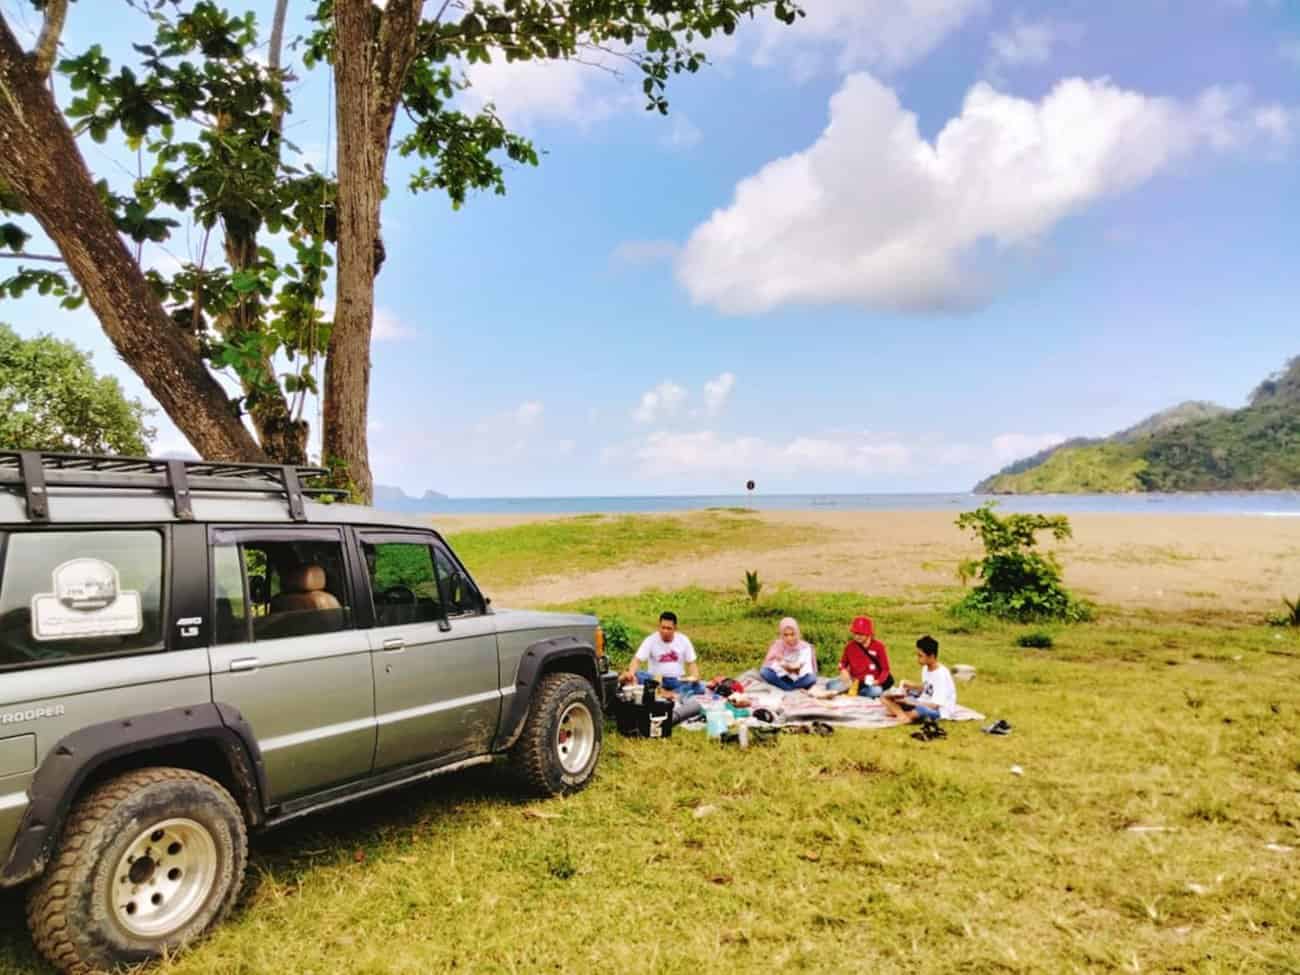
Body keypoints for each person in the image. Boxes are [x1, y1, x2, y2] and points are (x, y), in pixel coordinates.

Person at [883, 635, 957, 725]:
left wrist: (911, 703)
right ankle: (903, 715)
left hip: (939, 711)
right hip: (923, 702)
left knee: (920, 710)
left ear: (931, 656)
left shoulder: (941, 675)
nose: (918, 659)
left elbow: (935, 705)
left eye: (920, 656)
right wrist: (909, 690)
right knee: (885, 697)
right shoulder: (926, 668)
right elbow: (927, 689)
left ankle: (901, 714)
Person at [622, 611, 701, 691]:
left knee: (699, 688)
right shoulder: (651, 640)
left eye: (669, 628)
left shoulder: (683, 640)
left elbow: (691, 663)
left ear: (675, 628)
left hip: (676, 680)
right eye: (663, 627)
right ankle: (669, 692)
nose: (665, 631)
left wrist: (695, 677)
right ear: (659, 626)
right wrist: (631, 675)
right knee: (638, 675)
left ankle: (670, 692)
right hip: (655, 680)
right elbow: (637, 660)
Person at [834, 615, 894, 698]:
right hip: (854, 681)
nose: (857, 636)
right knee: (831, 686)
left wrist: (878, 681)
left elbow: (885, 669)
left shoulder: (879, 647)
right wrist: (842, 670)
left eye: (861, 634)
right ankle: (854, 690)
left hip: (870, 683)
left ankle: (855, 691)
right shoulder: (849, 646)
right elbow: (842, 663)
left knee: (876, 691)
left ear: (869, 634)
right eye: (855, 633)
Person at [759, 617, 817, 691]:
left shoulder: (805, 647)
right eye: (786, 635)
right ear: (781, 634)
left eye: (792, 634)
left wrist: (795, 667)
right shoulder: (777, 645)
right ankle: (789, 688)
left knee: (812, 678)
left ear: (797, 633)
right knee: (764, 671)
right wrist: (783, 665)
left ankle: (787, 688)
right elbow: (770, 664)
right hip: (782, 676)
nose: (789, 638)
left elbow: (807, 667)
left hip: (799, 678)